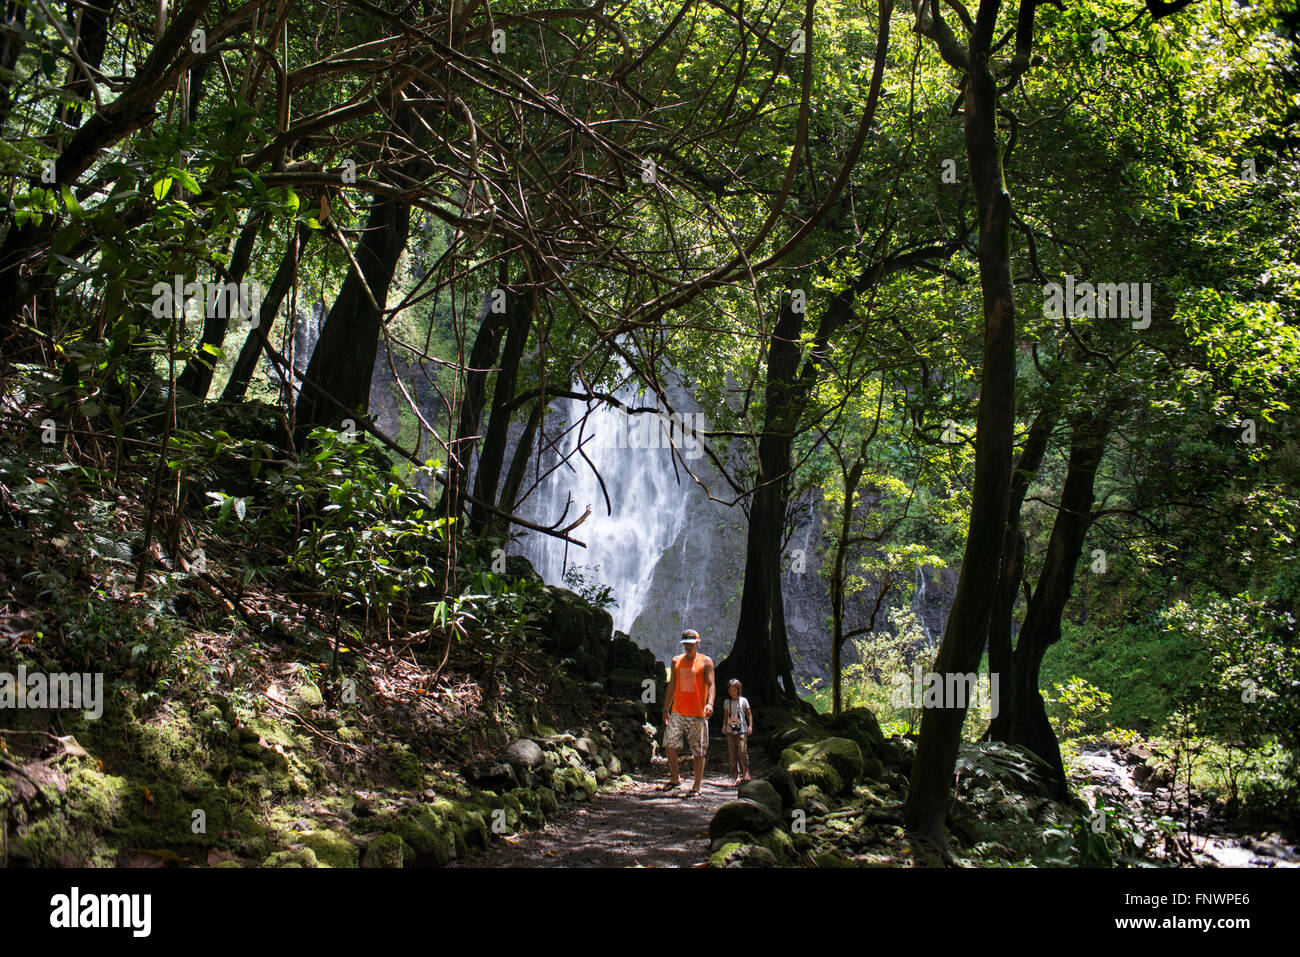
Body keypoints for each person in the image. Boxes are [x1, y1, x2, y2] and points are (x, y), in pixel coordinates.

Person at [660, 629, 714, 797]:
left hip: (697, 713)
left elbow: (712, 685)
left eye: (691, 645)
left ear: (697, 643)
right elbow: (672, 686)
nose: (688, 647)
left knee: (698, 752)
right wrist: (665, 708)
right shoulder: (676, 661)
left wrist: (710, 704)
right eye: (685, 645)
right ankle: (675, 779)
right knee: (669, 744)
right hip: (678, 711)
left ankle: (696, 787)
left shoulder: (706, 662)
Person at [722, 678, 753, 785]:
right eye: (730, 691)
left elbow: (749, 713)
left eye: (734, 690)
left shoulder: (743, 701)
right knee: (732, 753)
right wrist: (724, 726)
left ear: (738, 690)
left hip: (742, 730)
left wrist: (750, 726)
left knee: (742, 751)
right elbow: (726, 715)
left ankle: (745, 771)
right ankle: (736, 776)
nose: (732, 693)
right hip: (730, 730)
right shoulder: (727, 702)